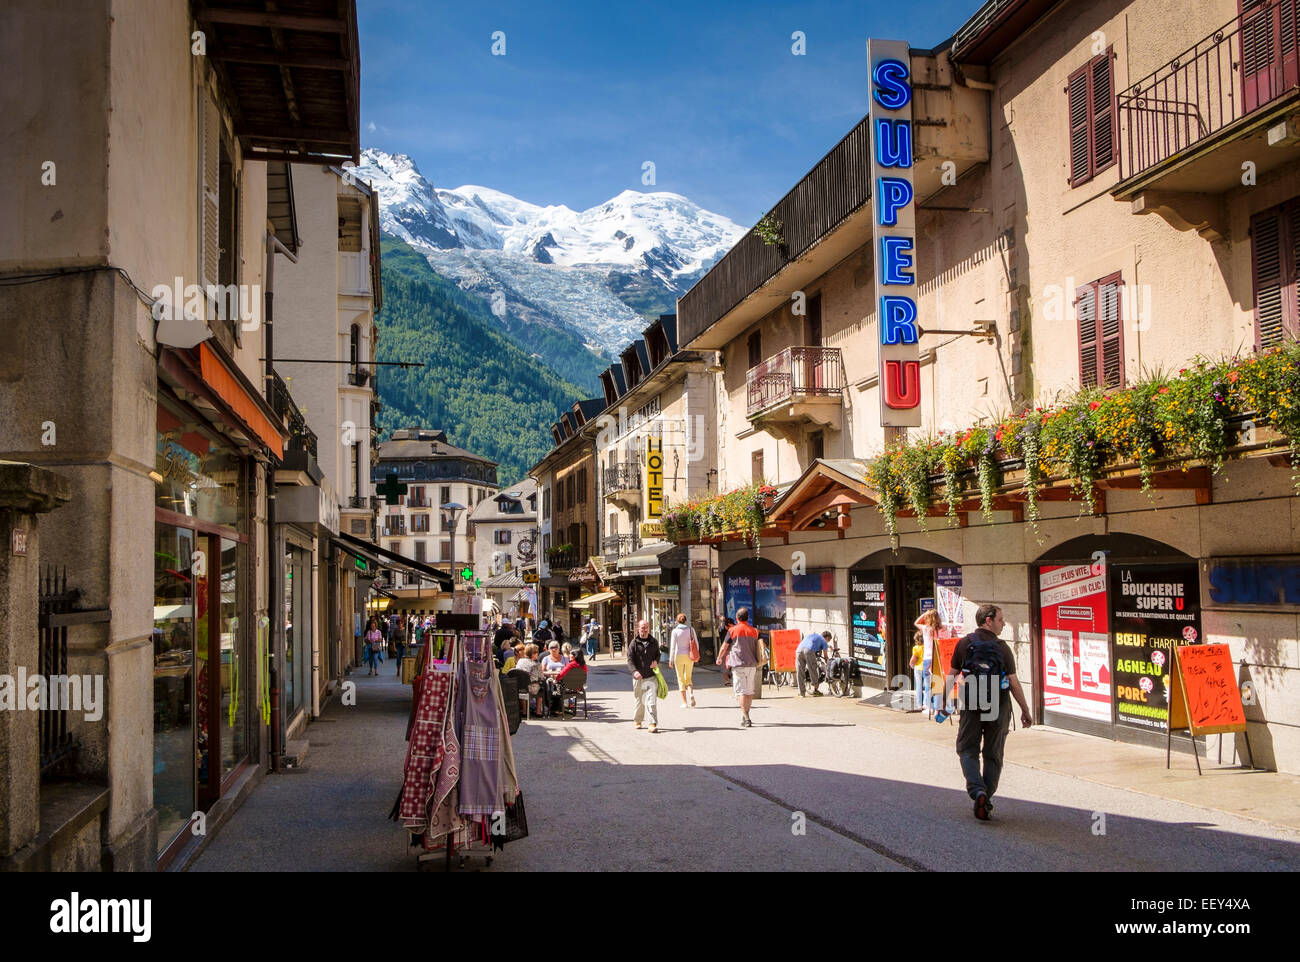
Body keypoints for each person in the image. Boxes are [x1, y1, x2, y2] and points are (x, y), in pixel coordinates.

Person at [944, 604, 1033, 821]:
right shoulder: (1001, 647)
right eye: (1001, 620)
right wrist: (1024, 708)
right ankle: (986, 797)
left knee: (967, 749)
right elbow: (1012, 681)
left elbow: (952, 673)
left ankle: (978, 791)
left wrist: (941, 700)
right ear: (988, 620)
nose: (1003, 624)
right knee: (994, 753)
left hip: (971, 701)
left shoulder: (964, 643)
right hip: (998, 703)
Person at [717, 608, 762, 728]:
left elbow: (724, 646)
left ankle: (746, 718)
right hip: (752, 665)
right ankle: (745, 714)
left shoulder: (732, 630)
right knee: (749, 691)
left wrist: (719, 657)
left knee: (741, 692)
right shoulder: (754, 631)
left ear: (737, 618)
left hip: (738, 664)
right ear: (747, 618)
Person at [626, 618, 661, 732]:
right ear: (638, 629)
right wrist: (634, 671)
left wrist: (656, 661)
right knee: (640, 700)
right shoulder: (634, 643)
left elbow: (658, 654)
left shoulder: (653, 641)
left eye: (646, 628)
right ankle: (638, 720)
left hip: (650, 675)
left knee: (651, 701)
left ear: (648, 629)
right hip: (638, 677)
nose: (644, 630)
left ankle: (652, 723)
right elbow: (630, 659)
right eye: (642, 628)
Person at [668, 613, 699, 708]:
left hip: (679, 656)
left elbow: (673, 647)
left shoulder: (675, 631)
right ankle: (691, 694)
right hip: (689, 656)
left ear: (677, 621)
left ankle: (685, 702)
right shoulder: (691, 630)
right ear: (685, 620)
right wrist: (697, 655)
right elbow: (696, 643)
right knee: (688, 677)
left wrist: (671, 659)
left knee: (680, 679)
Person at [912, 609, 940, 711]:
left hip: (928, 658)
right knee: (938, 683)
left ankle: (929, 706)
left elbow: (916, 623)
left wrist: (923, 614)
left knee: (928, 684)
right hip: (938, 659)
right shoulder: (942, 629)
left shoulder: (926, 629)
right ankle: (937, 707)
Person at [795, 629, 831, 697]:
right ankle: (815, 690)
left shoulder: (814, 636)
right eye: (828, 641)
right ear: (827, 638)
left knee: (800, 671)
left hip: (798, 650)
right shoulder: (824, 641)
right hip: (808, 650)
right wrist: (827, 662)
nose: (827, 642)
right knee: (813, 670)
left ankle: (801, 693)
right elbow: (826, 656)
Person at [554, 646, 587, 714]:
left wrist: (556, 680)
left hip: (568, 688)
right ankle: (568, 705)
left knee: (555, 687)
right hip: (579, 688)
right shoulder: (584, 666)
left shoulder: (571, 664)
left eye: (571, 654)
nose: (569, 655)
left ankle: (558, 708)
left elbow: (561, 674)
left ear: (575, 656)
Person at [516, 643, 544, 715]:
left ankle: (525, 711)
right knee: (542, 688)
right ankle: (538, 711)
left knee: (525, 686)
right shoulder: (536, 664)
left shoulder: (520, 661)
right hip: (532, 688)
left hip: (520, 687)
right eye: (536, 652)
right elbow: (541, 677)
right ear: (533, 654)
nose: (538, 654)